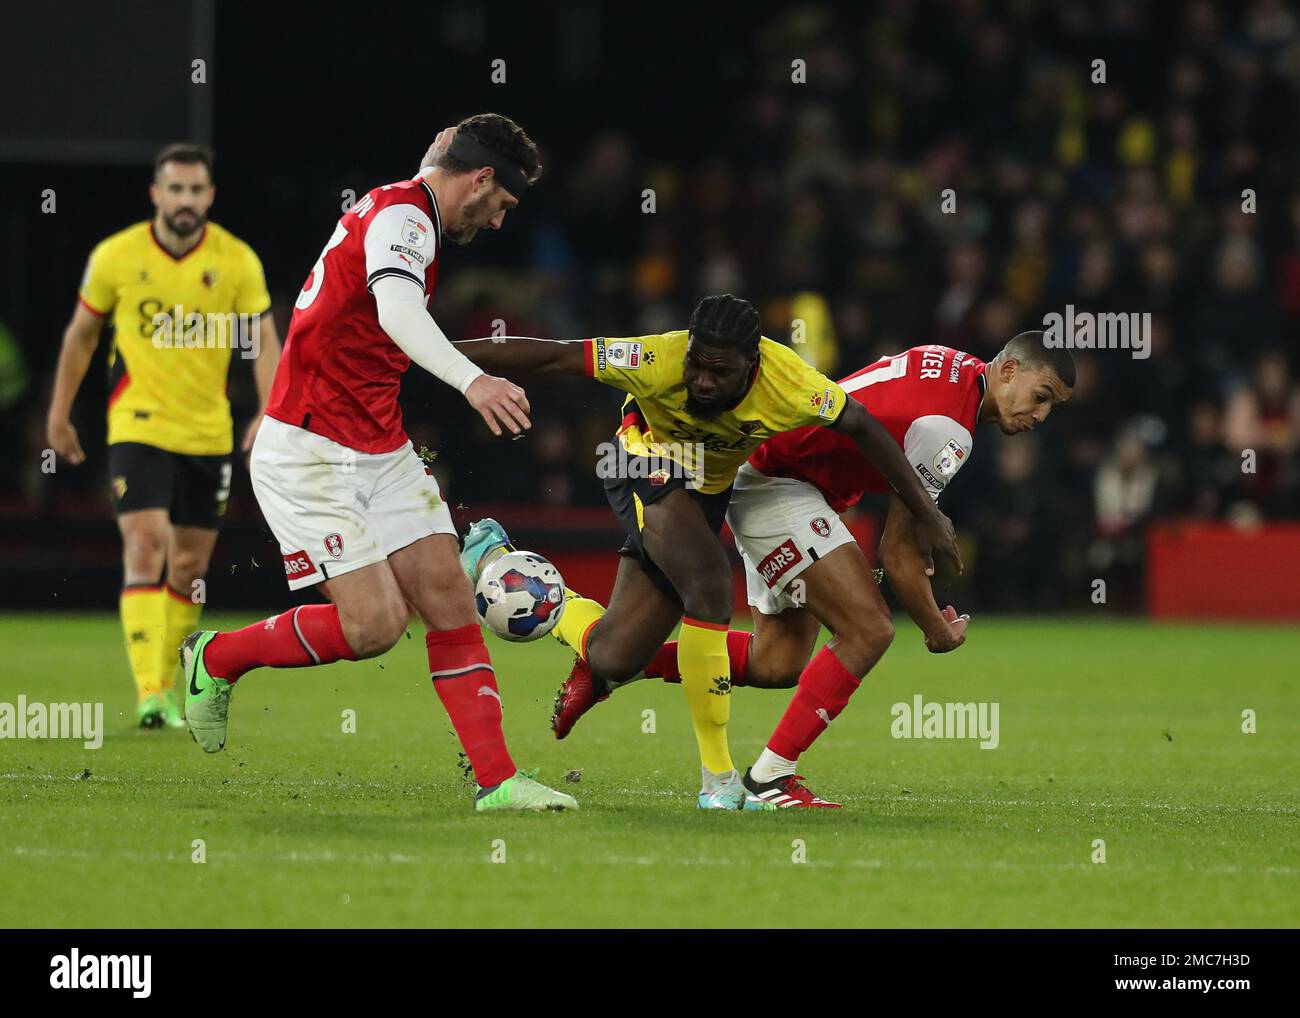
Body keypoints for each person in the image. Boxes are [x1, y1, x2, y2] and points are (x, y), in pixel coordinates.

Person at [180, 114, 577, 812]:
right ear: (480, 180)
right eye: (502, 206)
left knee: (449, 598)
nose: (497, 225)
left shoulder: (404, 206)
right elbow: (396, 311)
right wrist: (472, 381)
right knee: (374, 629)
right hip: (308, 450)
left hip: (380, 447)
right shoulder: (405, 221)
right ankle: (215, 659)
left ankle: (498, 782)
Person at [455, 297, 961, 809]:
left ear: (752, 366)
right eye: (696, 364)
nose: (700, 381)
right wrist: (439, 356)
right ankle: (718, 782)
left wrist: (928, 513)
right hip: (638, 462)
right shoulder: (658, 358)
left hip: (703, 492)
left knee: (616, 654)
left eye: (718, 373)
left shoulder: (790, 382)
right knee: (710, 585)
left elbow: (864, 427)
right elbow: (554, 356)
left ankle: (500, 562)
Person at [548, 332, 1074, 807]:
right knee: (869, 629)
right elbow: (898, 553)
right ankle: (770, 778)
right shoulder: (948, 432)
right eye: (1041, 395)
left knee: (776, 662)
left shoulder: (954, 364)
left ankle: (614, 668)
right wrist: (939, 631)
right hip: (779, 479)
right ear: (1009, 370)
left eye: (1052, 407)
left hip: (784, 475)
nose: (1041, 415)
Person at [46, 143, 282, 728]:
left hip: (208, 433)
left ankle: (167, 687)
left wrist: (269, 410)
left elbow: (263, 342)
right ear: (156, 194)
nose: (185, 200)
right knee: (146, 544)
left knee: (188, 570)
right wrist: (59, 413)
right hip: (139, 424)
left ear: (210, 196)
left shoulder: (238, 261)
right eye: (174, 189)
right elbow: (81, 336)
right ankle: (151, 692)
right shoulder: (116, 256)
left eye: (195, 190)